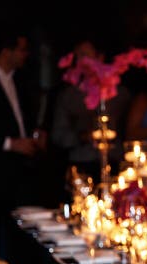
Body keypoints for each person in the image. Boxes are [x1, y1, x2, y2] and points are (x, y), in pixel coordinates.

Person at [0, 25, 45, 235]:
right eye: (22, 50)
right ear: (6, 51)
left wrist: (35, 134)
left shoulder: (18, 79)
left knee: (20, 234)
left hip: (19, 172)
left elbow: (22, 118)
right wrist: (10, 143)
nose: (26, 55)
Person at [51, 39, 130, 179]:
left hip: (116, 162)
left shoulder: (120, 93)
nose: (81, 61)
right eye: (78, 56)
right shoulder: (69, 95)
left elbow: (130, 129)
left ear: (100, 57)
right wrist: (82, 136)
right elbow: (58, 134)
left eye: (85, 55)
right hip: (82, 163)